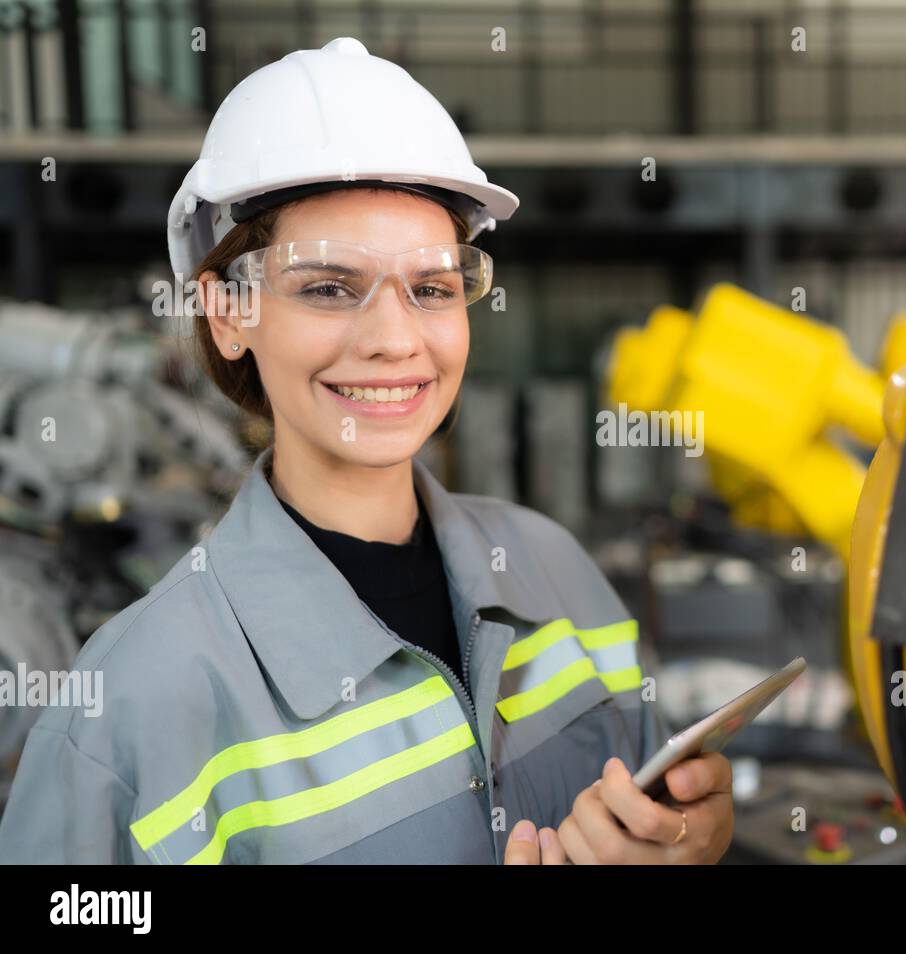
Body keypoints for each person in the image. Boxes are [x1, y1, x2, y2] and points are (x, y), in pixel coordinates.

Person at [0, 38, 733, 865]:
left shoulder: (555, 572)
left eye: (431, 287)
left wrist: (684, 844)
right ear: (227, 312)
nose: (394, 340)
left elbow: (654, 807)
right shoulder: (128, 707)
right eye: (328, 287)